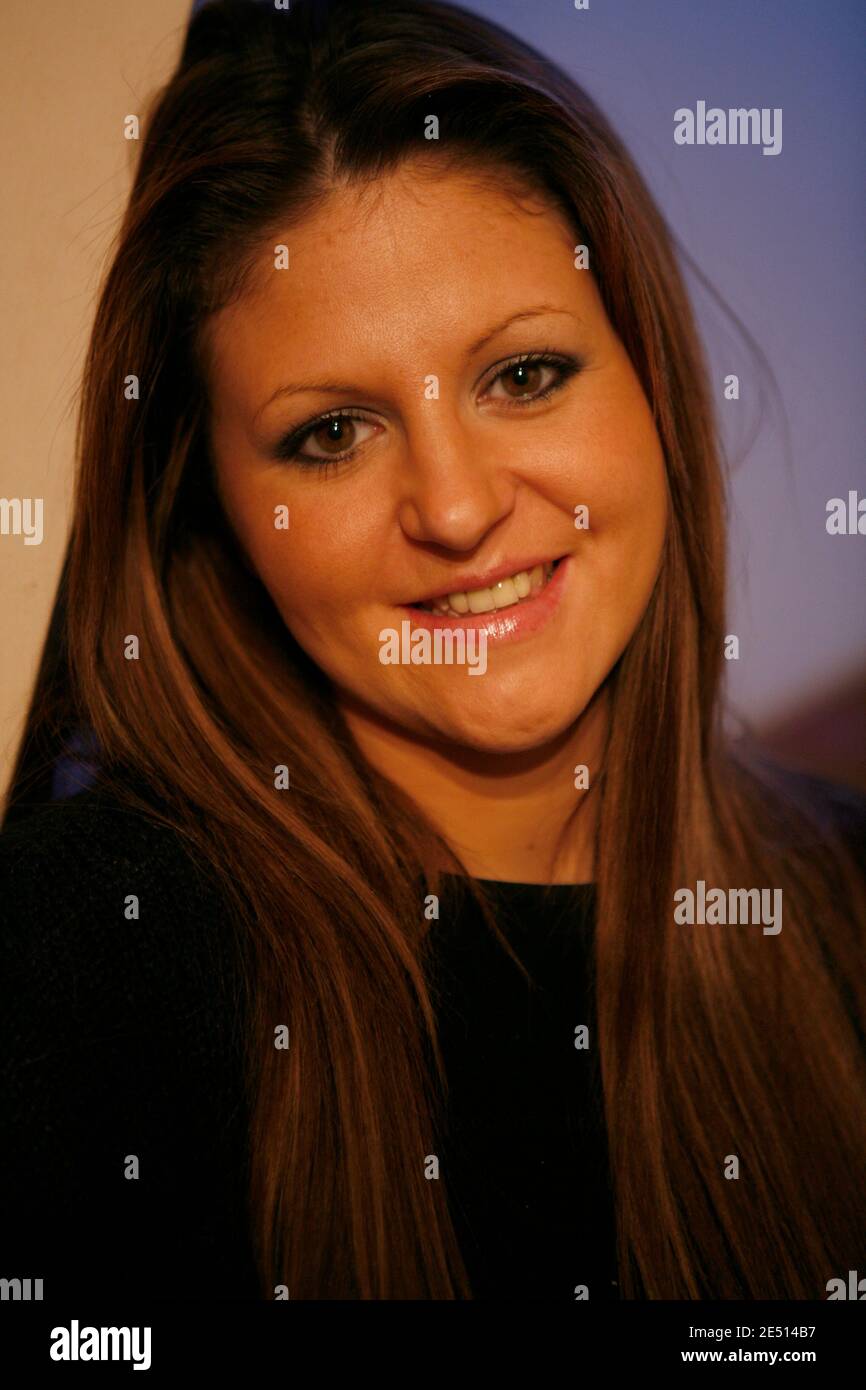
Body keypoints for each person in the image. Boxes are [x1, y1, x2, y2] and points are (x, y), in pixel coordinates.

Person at [2, 0, 864, 1302]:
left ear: (652, 383)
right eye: (331, 434)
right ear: (215, 512)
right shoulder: (81, 962)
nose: (455, 509)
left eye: (522, 375)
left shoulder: (850, 897)